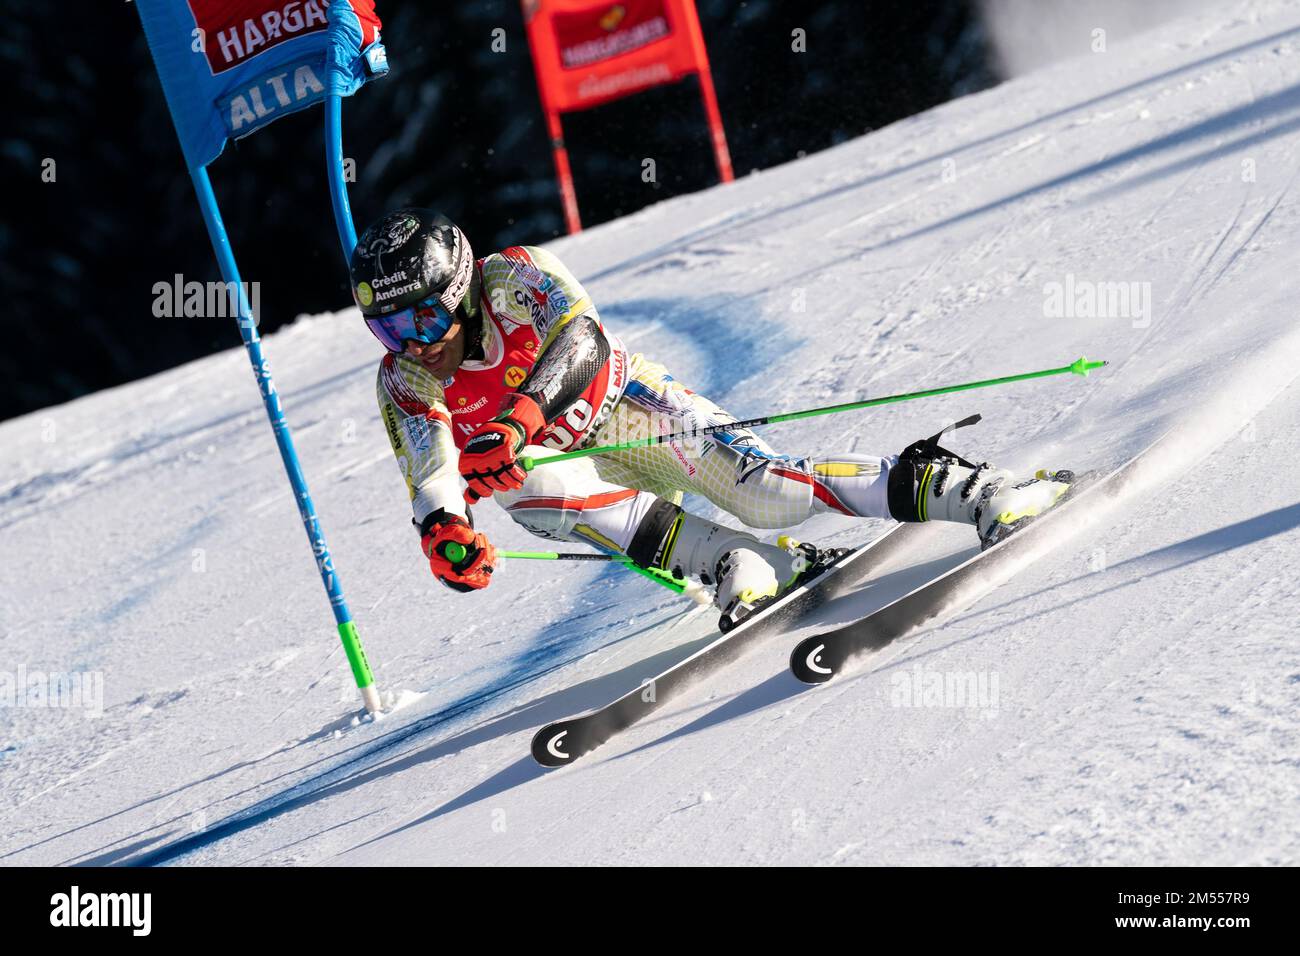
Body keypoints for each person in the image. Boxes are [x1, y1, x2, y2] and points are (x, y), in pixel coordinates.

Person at [352, 209, 1072, 627]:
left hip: (627, 411)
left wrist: (513, 423)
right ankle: (735, 563)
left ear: (460, 287)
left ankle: (965, 490)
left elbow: (582, 344)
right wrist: (447, 536)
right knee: (529, 495)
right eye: (388, 329)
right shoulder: (407, 379)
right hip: (567, 460)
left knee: (768, 493)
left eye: (422, 316)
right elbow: (432, 471)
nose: (412, 342)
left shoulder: (515, 277)